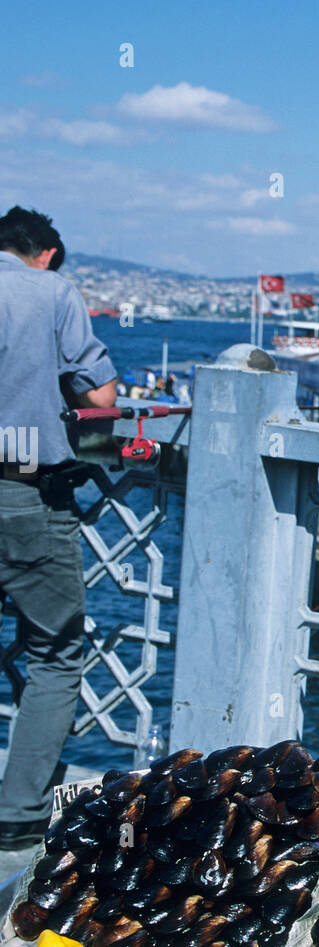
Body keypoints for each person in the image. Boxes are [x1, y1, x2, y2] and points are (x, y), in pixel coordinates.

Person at [0, 206, 117, 850]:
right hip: (22, 491)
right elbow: (101, 399)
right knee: (55, 653)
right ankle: (17, 815)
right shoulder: (51, 292)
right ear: (45, 254)